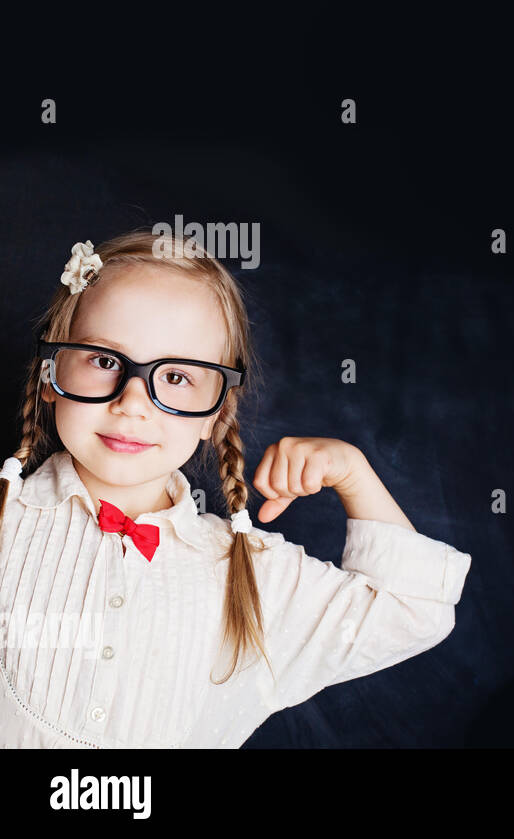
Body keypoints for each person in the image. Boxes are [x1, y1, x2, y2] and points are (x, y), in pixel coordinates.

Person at [0, 231, 471, 747]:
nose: (132, 403)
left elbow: (414, 608)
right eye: (105, 360)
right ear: (51, 370)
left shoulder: (250, 574)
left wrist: (354, 473)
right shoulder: (7, 522)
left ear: (217, 412)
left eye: (177, 377)